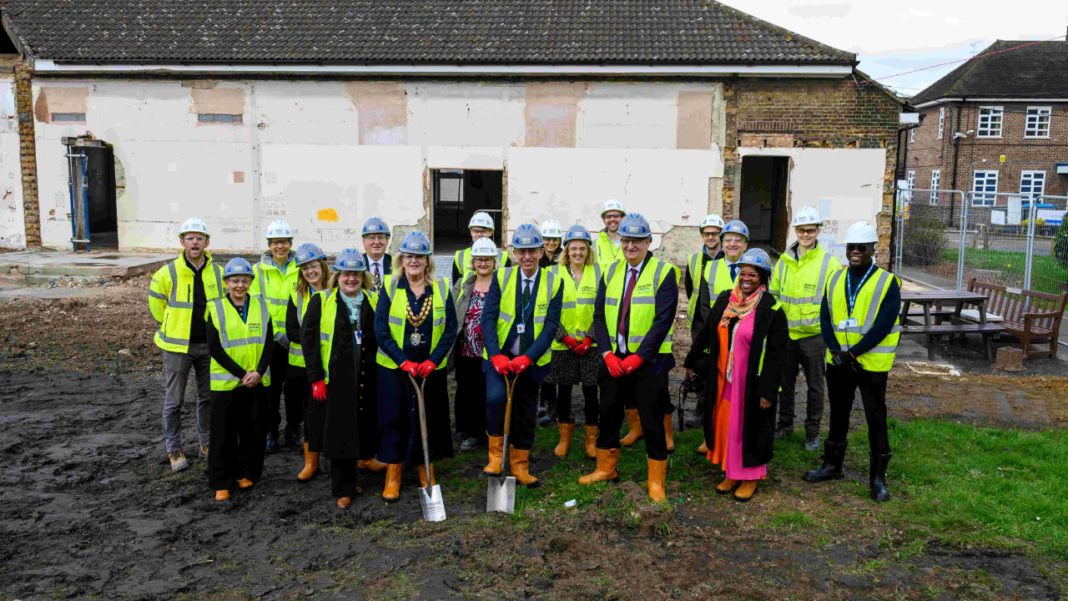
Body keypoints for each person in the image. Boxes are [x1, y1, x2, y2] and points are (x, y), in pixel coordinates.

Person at [579, 213, 678, 503]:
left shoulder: (664, 273)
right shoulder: (610, 272)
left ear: (649, 241)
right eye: (626, 240)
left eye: (637, 240)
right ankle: (605, 468)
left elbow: (662, 321)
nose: (631, 245)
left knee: (651, 420)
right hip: (613, 360)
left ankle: (656, 481)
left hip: (649, 363)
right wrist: (607, 353)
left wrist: (639, 358)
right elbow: (599, 316)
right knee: (608, 414)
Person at [803, 221, 900, 503]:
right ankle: (833, 466)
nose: (856, 251)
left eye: (862, 247)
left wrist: (852, 354)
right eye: (851, 247)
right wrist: (835, 351)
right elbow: (825, 316)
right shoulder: (836, 277)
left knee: (875, 418)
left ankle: (877, 479)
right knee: (839, 414)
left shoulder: (887, 282)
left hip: (869, 365)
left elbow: (883, 325)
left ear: (873, 250)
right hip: (838, 362)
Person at [684, 249, 787, 502]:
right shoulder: (725, 302)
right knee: (728, 426)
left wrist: (768, 391)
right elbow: (706, 333)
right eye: (743, 273)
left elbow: (777, 355)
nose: (746, 278)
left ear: (763, 278)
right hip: (724, 380)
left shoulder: (771, 309)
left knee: (750, 428)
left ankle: (750, 477)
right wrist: (692, 361)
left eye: (753, 274)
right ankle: (732, 471)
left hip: (751, 383)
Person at [375, 232, 458, 502]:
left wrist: (433, 361)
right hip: (395, 369)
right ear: (401, 259)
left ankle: (427, 472)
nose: (414, 261)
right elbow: (382, 330)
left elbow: (450, 331)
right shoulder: (389, 286)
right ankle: (393, 477)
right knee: (395, 419)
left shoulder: (441, 287)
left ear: (427, 261)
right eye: (409, 256)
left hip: (429, 370)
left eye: (419, 256)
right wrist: (403, 361)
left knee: (429, 419)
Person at [481, 223, 564, 488]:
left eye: (532, 251)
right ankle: (496, 457)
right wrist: (495, 355)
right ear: (514, 252)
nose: (527, 256)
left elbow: (550, 327)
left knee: (525, 411)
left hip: (532, 360)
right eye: (522, 251)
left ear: (541, 251)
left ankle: (519, 465)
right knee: (496, 399)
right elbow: (489, 318)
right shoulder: (502, 277)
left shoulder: (554, 281)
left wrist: (527, 358)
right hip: (501, 357)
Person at [301, 250, 380, 509]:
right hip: (336, 379)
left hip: (368, 376)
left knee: (364, 425)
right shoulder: (322, 301)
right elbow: (309, 342)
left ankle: (362, 465)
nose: (351, 279)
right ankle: (343, 487)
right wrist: (316, 379)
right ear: (337, 275)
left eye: (356, 274)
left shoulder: (374, 300)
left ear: (362, 276)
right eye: (346, 273)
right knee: (340, 432)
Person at [148, 217, 225, 472]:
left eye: (199, 238)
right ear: (182, 242)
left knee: (207, 398)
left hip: (209, 347)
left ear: (207, 242)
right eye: (190, 238)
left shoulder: (218, 272)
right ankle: (174, 450)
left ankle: (207, 444)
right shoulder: (168, 272)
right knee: (174, 400)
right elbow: (156, 302)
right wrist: (169, 323)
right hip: (178, 347)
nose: (195, 242)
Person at [770, 206, 841, 451]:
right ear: (796, 231)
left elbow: (834, 301)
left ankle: (812, 432)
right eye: (801, 230)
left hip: (814, 336)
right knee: (784, 384)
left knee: (815, 386)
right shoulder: (784, 261)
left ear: (818, 231)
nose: (806, 234)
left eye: (810, 230)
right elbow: (774, 294)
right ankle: (785, 425)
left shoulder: (829, 263)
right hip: (787, 334)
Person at [204, 258, 274, 501]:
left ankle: (248, 473)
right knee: (223, 434)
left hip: (256, 381)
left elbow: (268, 343)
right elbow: (215, 348)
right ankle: (221, 481)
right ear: (226, 283)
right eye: (234, 280)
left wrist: (259, 372)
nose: (240, 285)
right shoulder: (215, 308)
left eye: (245, 280)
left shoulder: (261, 306)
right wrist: (243, 374)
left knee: (253, 431)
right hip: (227, 384)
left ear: (250, 282)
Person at [546, 224, 600, 459]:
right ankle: (564, 438)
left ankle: (591, 441)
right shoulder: (553, 274)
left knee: (590, 393)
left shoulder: (599, 273)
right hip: (562, 345)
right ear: (566, 250)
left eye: (582, 248)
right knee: (564, 393)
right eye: (573, 248)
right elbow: (548, 310)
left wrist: (590, 337)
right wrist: (564, 337)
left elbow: (603, 310)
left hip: (591, 344)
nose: (578, 253)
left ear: (588, 250)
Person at [253, 220, 301, 452]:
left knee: (294, 389)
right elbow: (254, 306)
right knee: (270, 390)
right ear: (269, 245)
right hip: (269, 342)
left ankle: (293, 430)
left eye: (283, 242)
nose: (279, 246)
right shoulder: (257, 271)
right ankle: (271, 432)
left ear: (290, 244)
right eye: (275, 242)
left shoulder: (301, 268)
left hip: (294, 341)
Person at [287, 243, 330, 482]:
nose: (310, 272)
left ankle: (334, 456)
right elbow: (291, 330)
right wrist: (312, 337)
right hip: (303, 366)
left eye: (313, 266)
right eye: (305, 269)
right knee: (309, 414)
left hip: (332, 364)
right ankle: (311, 462)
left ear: (322, 266)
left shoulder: (336, 291)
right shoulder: (297, 295)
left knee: (333, 412)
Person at [683, 214, 726, 456]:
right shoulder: (693, 260)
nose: (710, 237)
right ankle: (701, 410)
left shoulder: (730, 258)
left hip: (722, 323)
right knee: (700, 367)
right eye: (706, 233)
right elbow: (691, 290)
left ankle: (717, 413)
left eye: (714, 233)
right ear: (702, 235)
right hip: (700, 323)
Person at [451, 237, 498, 453]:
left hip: (490, 349)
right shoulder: (463, 283)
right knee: (467, 389)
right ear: (473, 261)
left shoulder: (501, 283)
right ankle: (469, 432)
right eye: (479, 259)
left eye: (487, 259)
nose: (483, 263)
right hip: (466, 347)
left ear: (494, 261)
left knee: (488, 391)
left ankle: (490, 430)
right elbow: (453, 311)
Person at [536, 219, 564, 423]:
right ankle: (542, 401)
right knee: (541, 358)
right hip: (539, 312)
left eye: (554, 239)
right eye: (547, 238)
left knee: (554, 364)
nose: (551, 242)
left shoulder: (563, 259)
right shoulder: (537, 258)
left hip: (558, 310)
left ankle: (553, 407)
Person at [453, 211, 510, 282]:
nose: (479, 234)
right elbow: (456, 287)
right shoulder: (460, 257)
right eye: (476, 231)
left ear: (491, 232)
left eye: (483, 231)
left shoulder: (503, 257)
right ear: (471, 232)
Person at [362, 217, 393, 293]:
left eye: (381, 237)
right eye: (371, 238)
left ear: (387, 240)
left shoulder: (396, 264)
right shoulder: (358, 264)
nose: (376, 242)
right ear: (364, 241)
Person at [593, 200, 626, 269]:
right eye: (608, 216)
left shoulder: (631, 243)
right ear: (603, 220)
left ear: (622, 218)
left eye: (616, 216)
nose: (612, 219)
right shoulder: (594, 245)